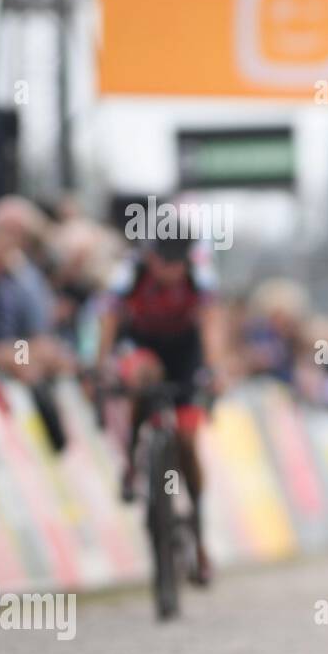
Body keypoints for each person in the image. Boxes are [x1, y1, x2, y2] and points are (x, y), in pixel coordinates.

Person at [95, 232, 228, 586]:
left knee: (187, 440)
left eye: (177, 261)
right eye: (163, 261)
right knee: (139, 377)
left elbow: (213, 322)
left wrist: (214, 368)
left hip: (185, 351)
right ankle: (132, 464)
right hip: (143, 344)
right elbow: (108, 318)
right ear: (150, 257)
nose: (170, 269)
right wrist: (100, 365)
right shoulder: (130, 271)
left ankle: (198, 541)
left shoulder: (200, 273)